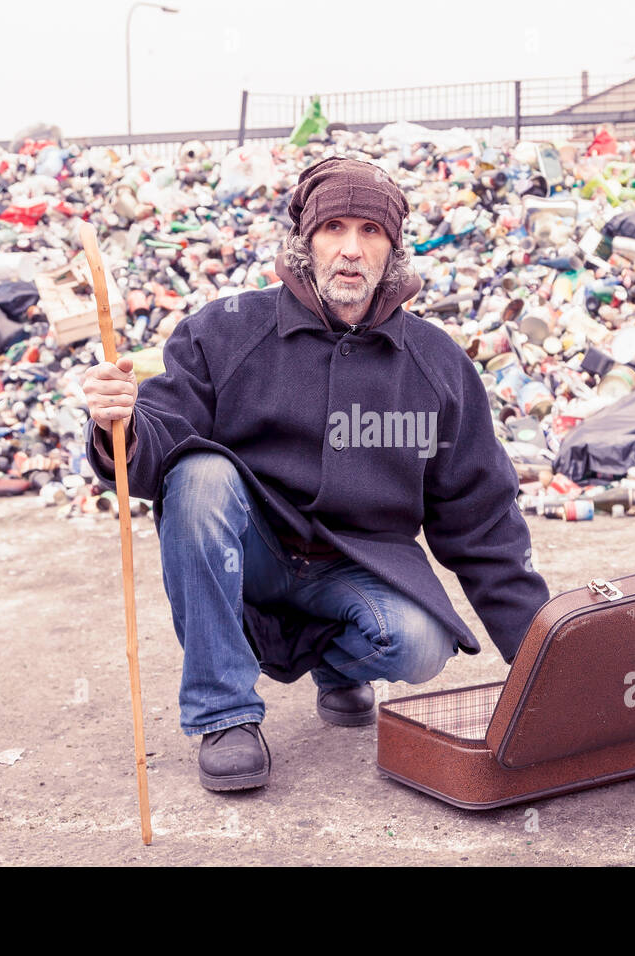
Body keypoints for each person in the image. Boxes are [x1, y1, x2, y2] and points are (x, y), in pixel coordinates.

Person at [81, 156, 549, 792]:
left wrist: (542, 658)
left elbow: (482, 520)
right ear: (304, 243)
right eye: (333, 228)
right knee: (198, 476)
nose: (350, 250)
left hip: (356, 566)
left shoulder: (437, 364)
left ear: (393, 249)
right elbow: (160, 436)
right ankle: (224, 714)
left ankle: (334, 663)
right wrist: (124, 426)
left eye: (370, 231)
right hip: (254, 554)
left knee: (420, 644)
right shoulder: (225, 330)